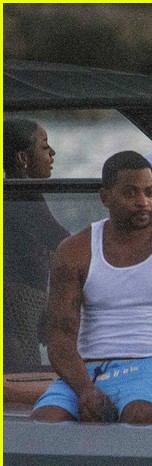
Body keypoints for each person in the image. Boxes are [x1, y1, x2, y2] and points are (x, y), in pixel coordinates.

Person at [31, 151, 152, 425]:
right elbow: (60, 337)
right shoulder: (75, 251)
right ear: (105, 197)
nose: (143, 202)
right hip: (88, 370)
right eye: (131, 193)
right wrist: (85, 389)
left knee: (139, 415)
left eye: (149, 192)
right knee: (44, 421)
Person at [4, 117, 70, 370]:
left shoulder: (23, 194)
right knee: (24, 371)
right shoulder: (20, 196)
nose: (52, 153)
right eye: (44, 146)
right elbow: (61, 241)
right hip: (17, 303)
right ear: (23, 158)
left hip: (28, 301)